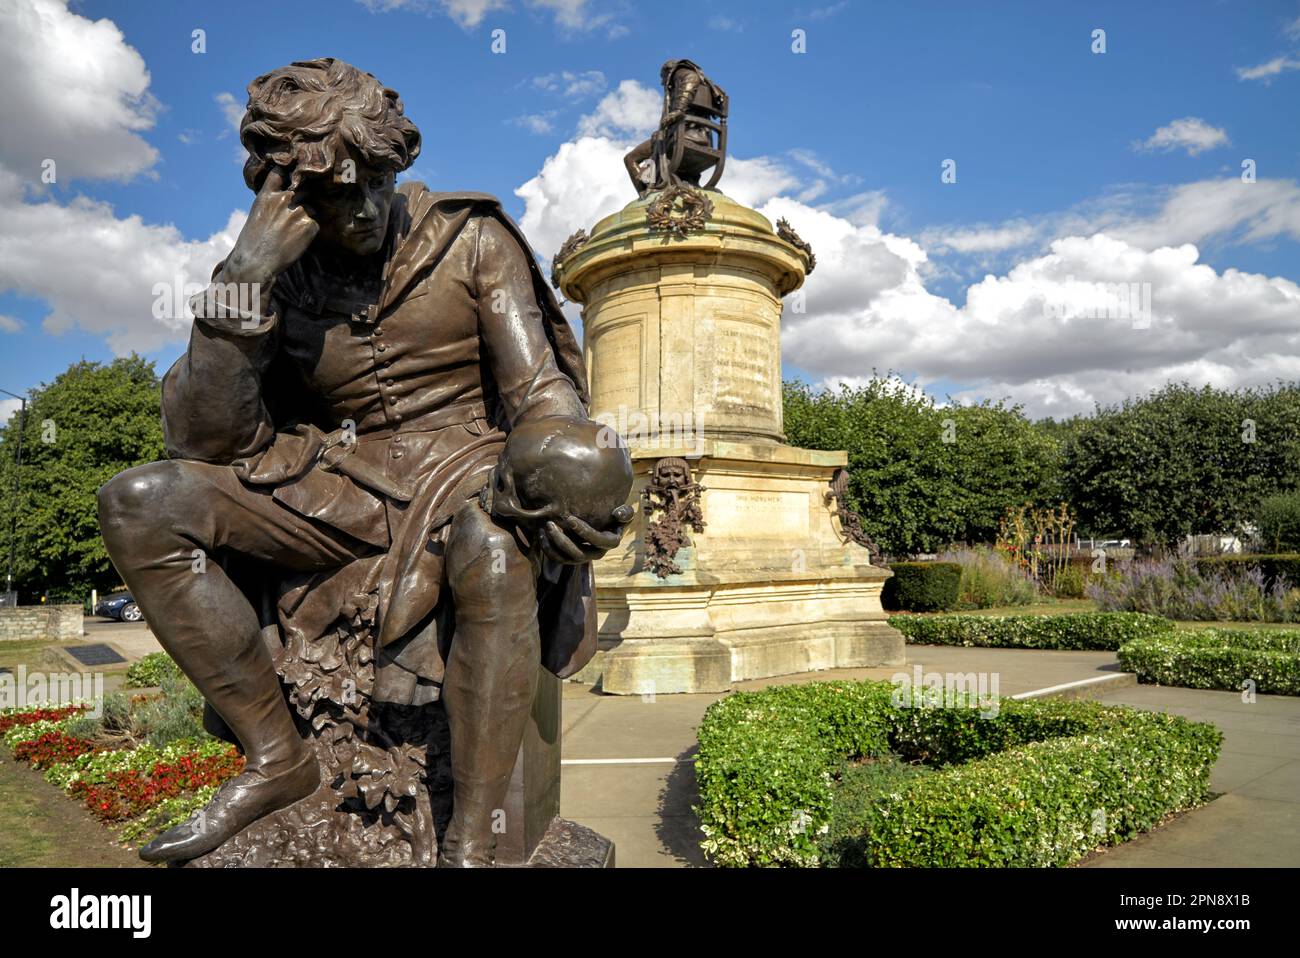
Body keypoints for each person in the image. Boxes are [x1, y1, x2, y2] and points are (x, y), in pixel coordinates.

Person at [97, 58, 632, 867]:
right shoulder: (269, 273)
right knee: (139, 502)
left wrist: (567, 464)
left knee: (492, 548)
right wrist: (243, 280)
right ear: (286, 199)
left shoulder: (471, 238)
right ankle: (278, 758)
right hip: (331, 486)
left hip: (464, 474)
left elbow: (538, 391)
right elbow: (205, 442)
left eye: (373, 182)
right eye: (331, 196)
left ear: (393, 164)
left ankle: (474, 839)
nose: (361, 211)